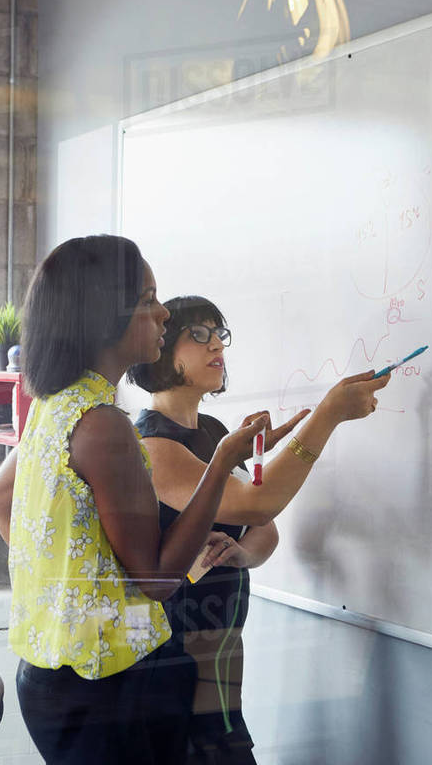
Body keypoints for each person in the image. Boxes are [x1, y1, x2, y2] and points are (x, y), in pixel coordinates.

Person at [0, 237, 266, 765]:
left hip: (52, 674)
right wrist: (223, 462)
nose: (162, 313)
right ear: (101, 316)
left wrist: (77, 582)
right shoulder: (104, 424)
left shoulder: (54, 403)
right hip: (108, 685)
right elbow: (157, 580)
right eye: (147, 300)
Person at [127, 295, 391, 764]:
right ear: (164, 349)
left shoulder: (213, 430)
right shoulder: (153, 444)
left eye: (220, 335)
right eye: (200, 335)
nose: (217, 348)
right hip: (174, 658)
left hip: (223, 646)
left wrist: (241, 554)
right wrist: (328, 413)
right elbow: (257, 502)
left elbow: (261, 526)